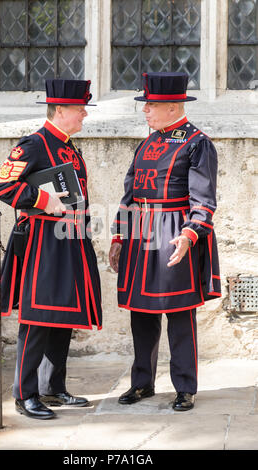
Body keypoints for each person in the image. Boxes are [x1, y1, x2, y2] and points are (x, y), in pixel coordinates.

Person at [109, 72, 221, 411]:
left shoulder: (197, 143)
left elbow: (203, 200)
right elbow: (130, 192)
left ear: (172, 107)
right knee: (141, 313)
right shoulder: (146, 142)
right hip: (139, 233)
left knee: (179, 313)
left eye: (150, 105)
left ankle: (184, 388)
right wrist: (118, 236)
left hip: (173, 232)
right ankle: (141, 384)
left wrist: (189, 235)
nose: (144, 111)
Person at [0, 79, 102, 419]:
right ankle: (25, 395)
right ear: (60, 110)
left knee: (62, 317)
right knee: (39, 317)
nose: (84, 113)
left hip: (70, 239)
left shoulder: (70, 146)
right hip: (43, 242)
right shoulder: (34, 144)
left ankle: (54, 388)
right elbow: (2, 185)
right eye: (79, 108)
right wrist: (43, 200)